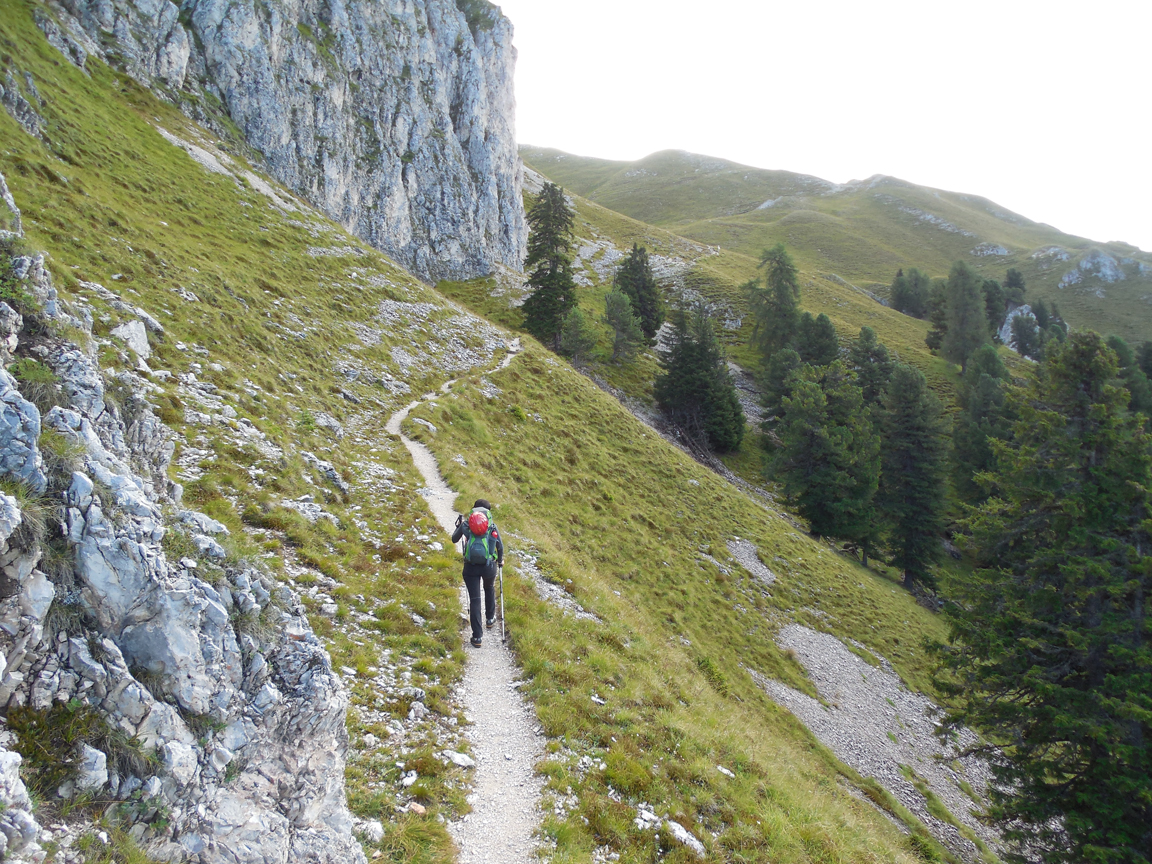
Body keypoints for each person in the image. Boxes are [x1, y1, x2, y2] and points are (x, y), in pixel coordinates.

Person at [451, 498, 503, 647]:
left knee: (475, 599)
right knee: (489, 587)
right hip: (489, 566)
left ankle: (477, 637)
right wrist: (500, 561)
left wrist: (460, 527)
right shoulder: (491, 525)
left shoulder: (467, 524)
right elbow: (500, 546)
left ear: (473, 509)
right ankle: (490, 619)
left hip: (471, 567)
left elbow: (454, 539)